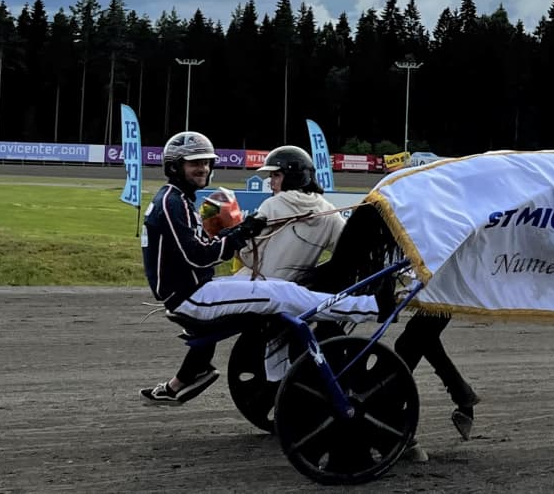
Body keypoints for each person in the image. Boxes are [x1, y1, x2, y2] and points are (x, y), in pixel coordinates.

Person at [140, 132, 391, 404]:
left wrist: (236, 235)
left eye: (206, 162)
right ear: (175, 167)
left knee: (276, 294)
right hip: (192, 297)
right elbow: (200, 257)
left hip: (193, 292)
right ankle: (371, 307)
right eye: (194, 163)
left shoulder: (175, 199)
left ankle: (194, 376)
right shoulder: (171, 202)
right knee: (279, 293)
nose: (203, 168)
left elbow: (215, 254)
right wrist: (237, 234)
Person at [234, 145, 346, 281]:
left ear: (293, 177)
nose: (271, 183)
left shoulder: (272, 205)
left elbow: (251, 259)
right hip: (298, 292)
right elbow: (350, 250)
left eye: (276, 175)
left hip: (263, 289)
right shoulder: (329, 211)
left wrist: (236, 243)